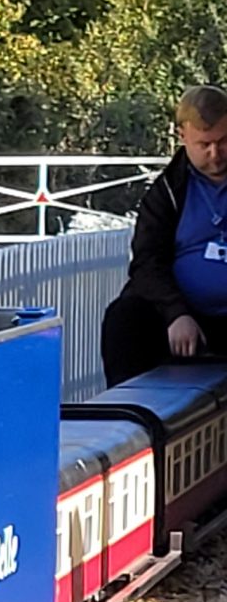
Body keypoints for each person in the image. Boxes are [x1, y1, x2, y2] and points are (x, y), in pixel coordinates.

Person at [100, 85, 227, 385]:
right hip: (186, 313)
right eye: (204, 144)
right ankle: (130, 407)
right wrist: (176, 313)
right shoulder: (167, 192)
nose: (215, 155)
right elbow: (146, 262)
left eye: (224, 142)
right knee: (124, 318)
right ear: (183, 136)